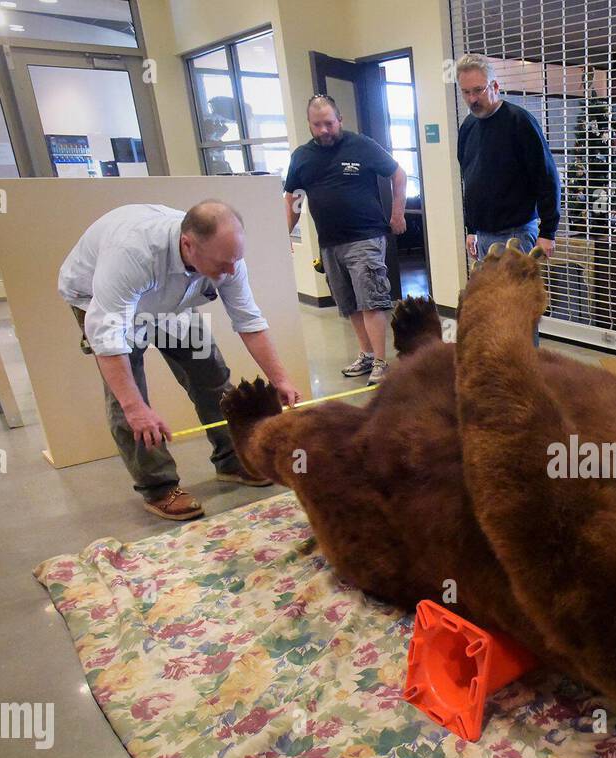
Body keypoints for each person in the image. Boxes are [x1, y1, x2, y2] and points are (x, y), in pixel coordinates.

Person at [58, 200, 302, 521]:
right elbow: (108, 338)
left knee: (212, 374)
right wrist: (136, 409)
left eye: (235, 260)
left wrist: (281, 379)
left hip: (170, 302)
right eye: (222, 263)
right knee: (130, 401)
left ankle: (232, 460)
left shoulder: (226, 258)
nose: (231, 271)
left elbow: (248, 321)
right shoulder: (133, 253)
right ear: (188, 245)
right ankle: (158, 488)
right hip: (102, 303)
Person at [284, 94, 408, 385]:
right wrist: (284, 235)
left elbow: (398, 174)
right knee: (349, 303)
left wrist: (397, 214)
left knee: (371, 301)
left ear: (340, 120)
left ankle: (381, 360)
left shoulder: (361, 145)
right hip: (330, 242)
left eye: (329, 123)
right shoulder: (301, 157)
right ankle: (365, 354)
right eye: (318, 125)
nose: (324, 130)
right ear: (309, 125)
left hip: (365, 236)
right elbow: (295, 199)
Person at [455, 54, 560, 346]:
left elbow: (547, 177)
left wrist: (548, 232)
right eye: (466, 92)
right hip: (485, 236)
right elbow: (470, 180)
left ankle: (525, 370)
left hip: (517, 234)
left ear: (495, 86)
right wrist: (471, 229)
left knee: (518, 312)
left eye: (478, 90)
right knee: (490, 310)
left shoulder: (519, 122)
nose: (473, 99)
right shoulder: (468, 128)